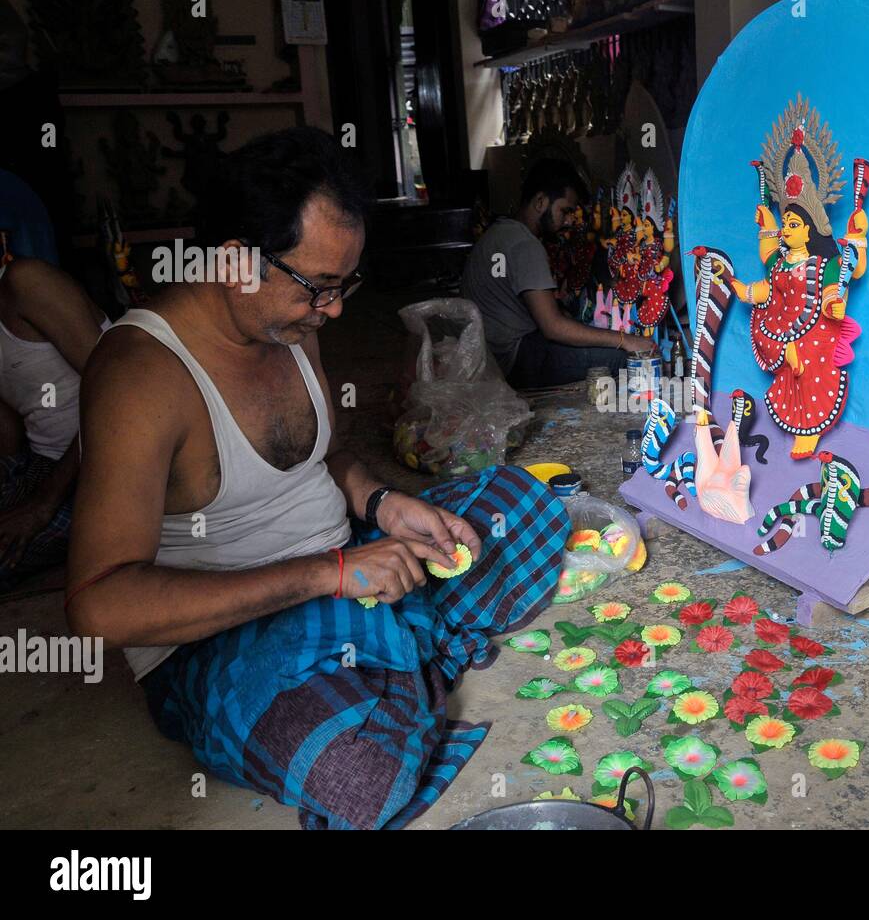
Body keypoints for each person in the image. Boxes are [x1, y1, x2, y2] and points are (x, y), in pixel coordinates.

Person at [65, 127, 567, 829]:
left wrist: (385, 504)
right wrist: (328, 574)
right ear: (238, 262)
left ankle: (389, 659)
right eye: (319, 287)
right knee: (359, 774)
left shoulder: (291, 325)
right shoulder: (139, 374)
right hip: (228, 637)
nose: (332, 311)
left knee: (528, 508)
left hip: (347, 565)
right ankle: (404, 650)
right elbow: (98, 607)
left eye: (342, 287)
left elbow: (322, 456)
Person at [461, 157, 657, 387]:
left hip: (491, 354)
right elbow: (553, 327)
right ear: (540, 201)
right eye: (564, 211)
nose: (568, 221)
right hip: (513, 360)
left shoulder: (500, 232)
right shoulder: (524, 244)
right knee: (623, 359)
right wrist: (625, 340)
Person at [0, 240, 109, 588]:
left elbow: (125, 393)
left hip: (109, 461)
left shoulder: (26, 283)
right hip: (46, 464)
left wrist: (42, 503)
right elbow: (10, 437)